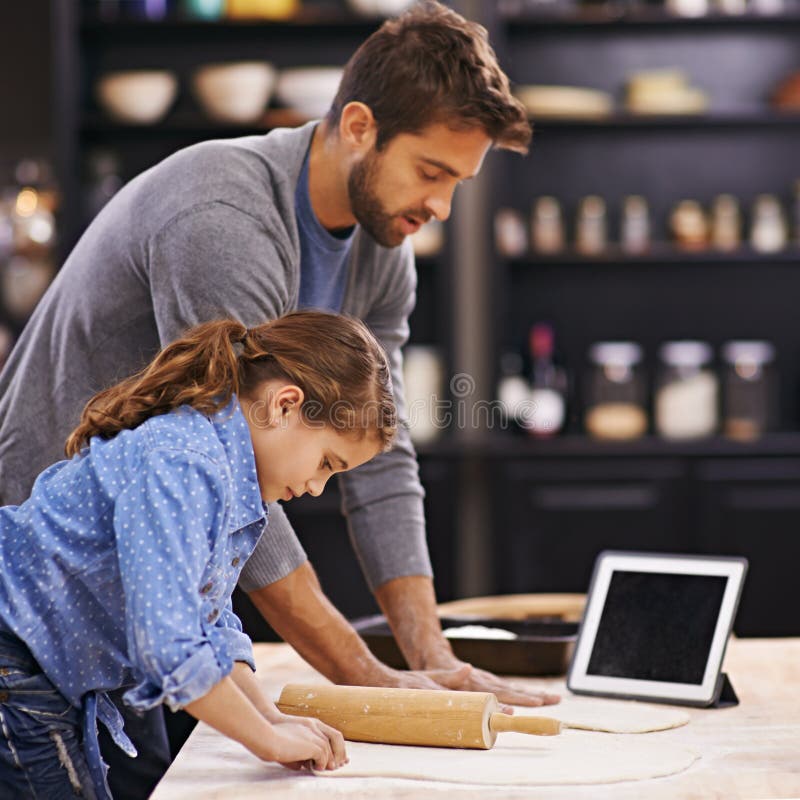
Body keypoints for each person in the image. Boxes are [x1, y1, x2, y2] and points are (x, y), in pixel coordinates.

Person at [0, 2, 557, 796]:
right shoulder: (223, 218)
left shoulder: (381, 250)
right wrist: (368, 678)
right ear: (358, 125)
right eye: (432, 173)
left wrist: (430, 660)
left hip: (135, 577)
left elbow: (381, 451)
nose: (440, 208)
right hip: (55, 567)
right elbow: (228, 472)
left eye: (458, 184)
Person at [0, 309, 402, 798]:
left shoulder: (218, 468)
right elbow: (171, 647)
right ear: (284, 405)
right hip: (13, 659)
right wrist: (269, 741)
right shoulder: (187, 465)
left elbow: (208, 622)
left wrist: (270, 715)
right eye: (326, 463)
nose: (319, 488)